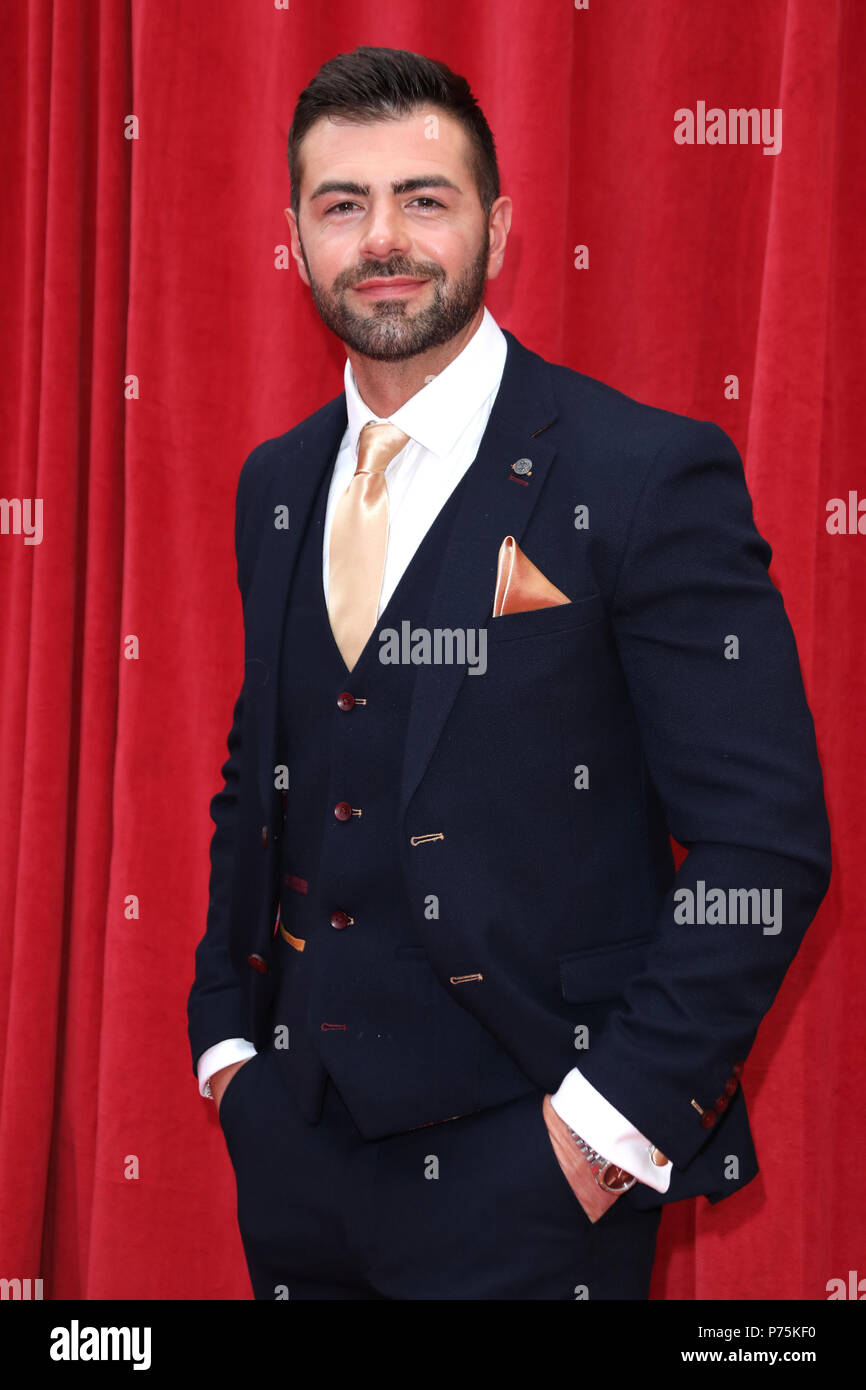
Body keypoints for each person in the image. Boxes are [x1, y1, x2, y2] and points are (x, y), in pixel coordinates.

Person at [187, 45, 831, 1301]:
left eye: (423, 198)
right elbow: (259, 773)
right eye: (341, 202)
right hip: (293, 1159)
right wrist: (226, 1047)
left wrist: (600, 1133)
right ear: (294, 235)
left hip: (533, 1176)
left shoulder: (641, 473)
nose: (382, 237)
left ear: (497, 224)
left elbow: (764, 846)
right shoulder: (275, 481)